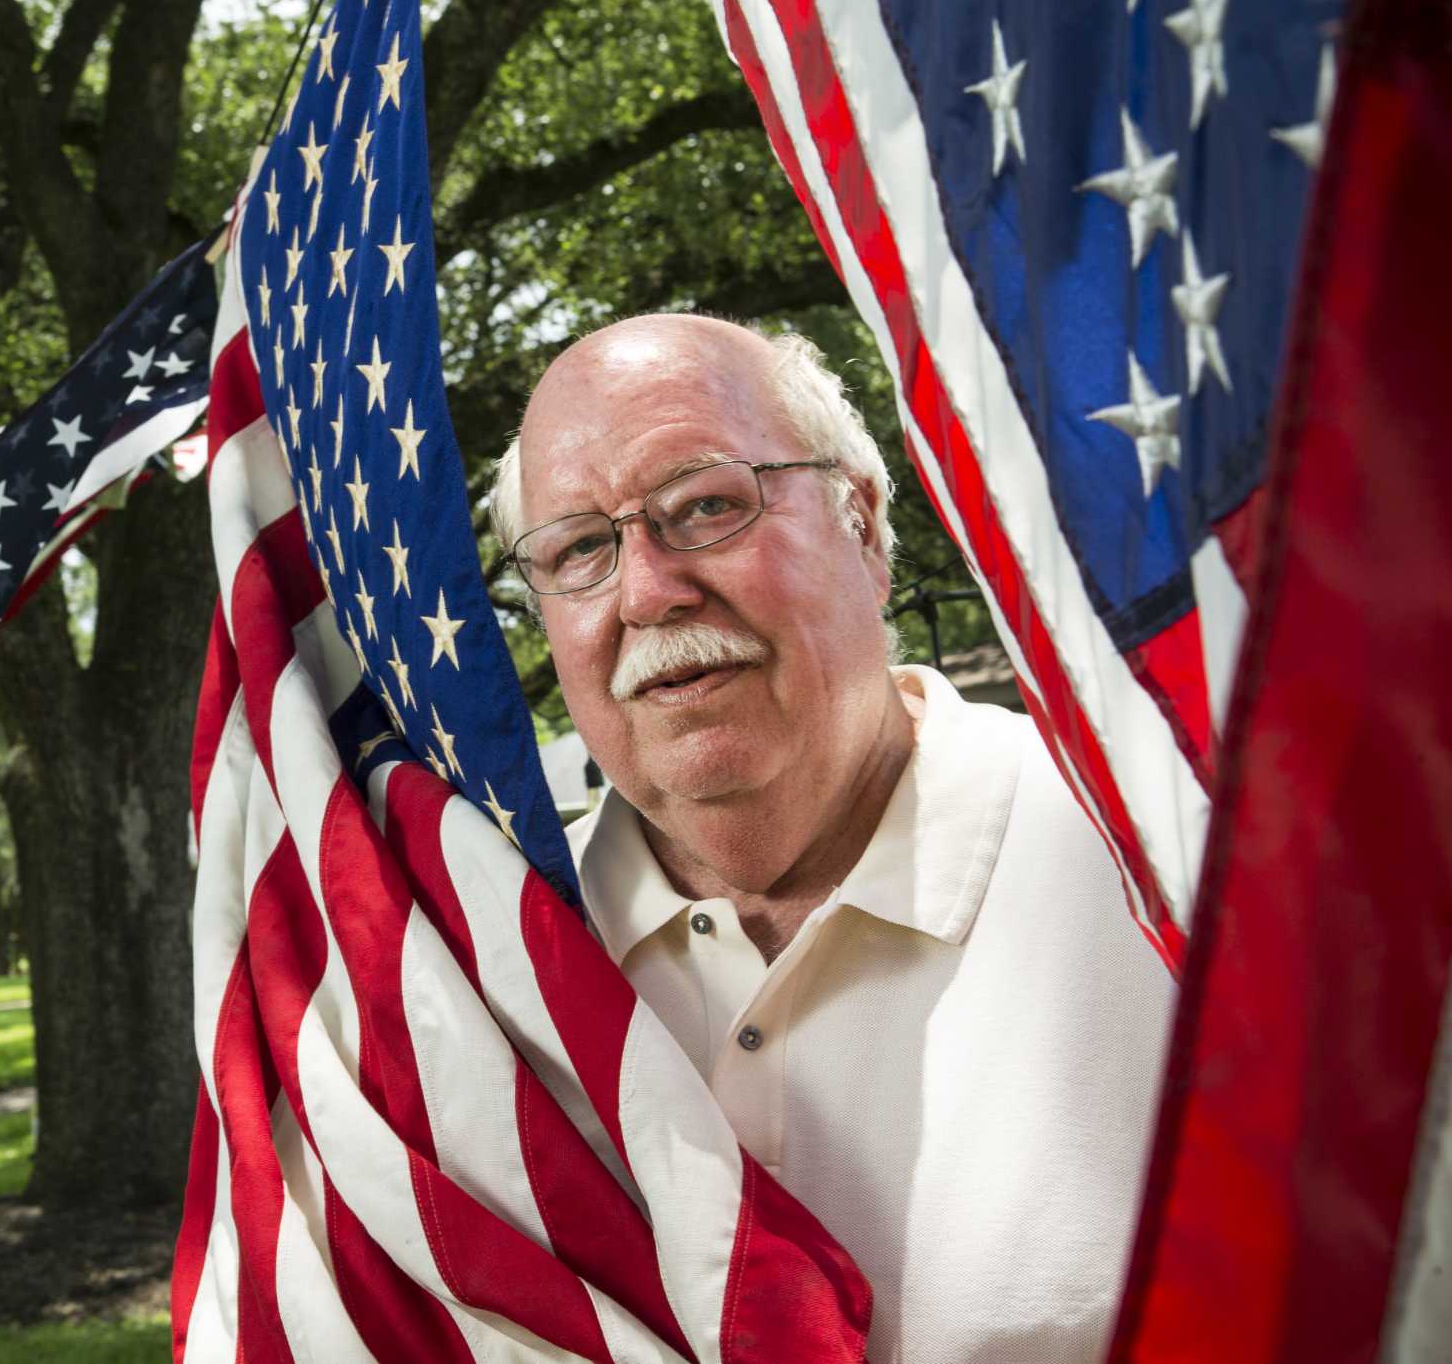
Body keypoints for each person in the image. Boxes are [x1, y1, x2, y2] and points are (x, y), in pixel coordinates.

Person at [493, 314, 1176, 1363]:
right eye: (580, 547)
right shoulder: (488, 968)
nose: (644, 591)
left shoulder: (1167, 864)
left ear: (861, 524)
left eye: (706, 505)